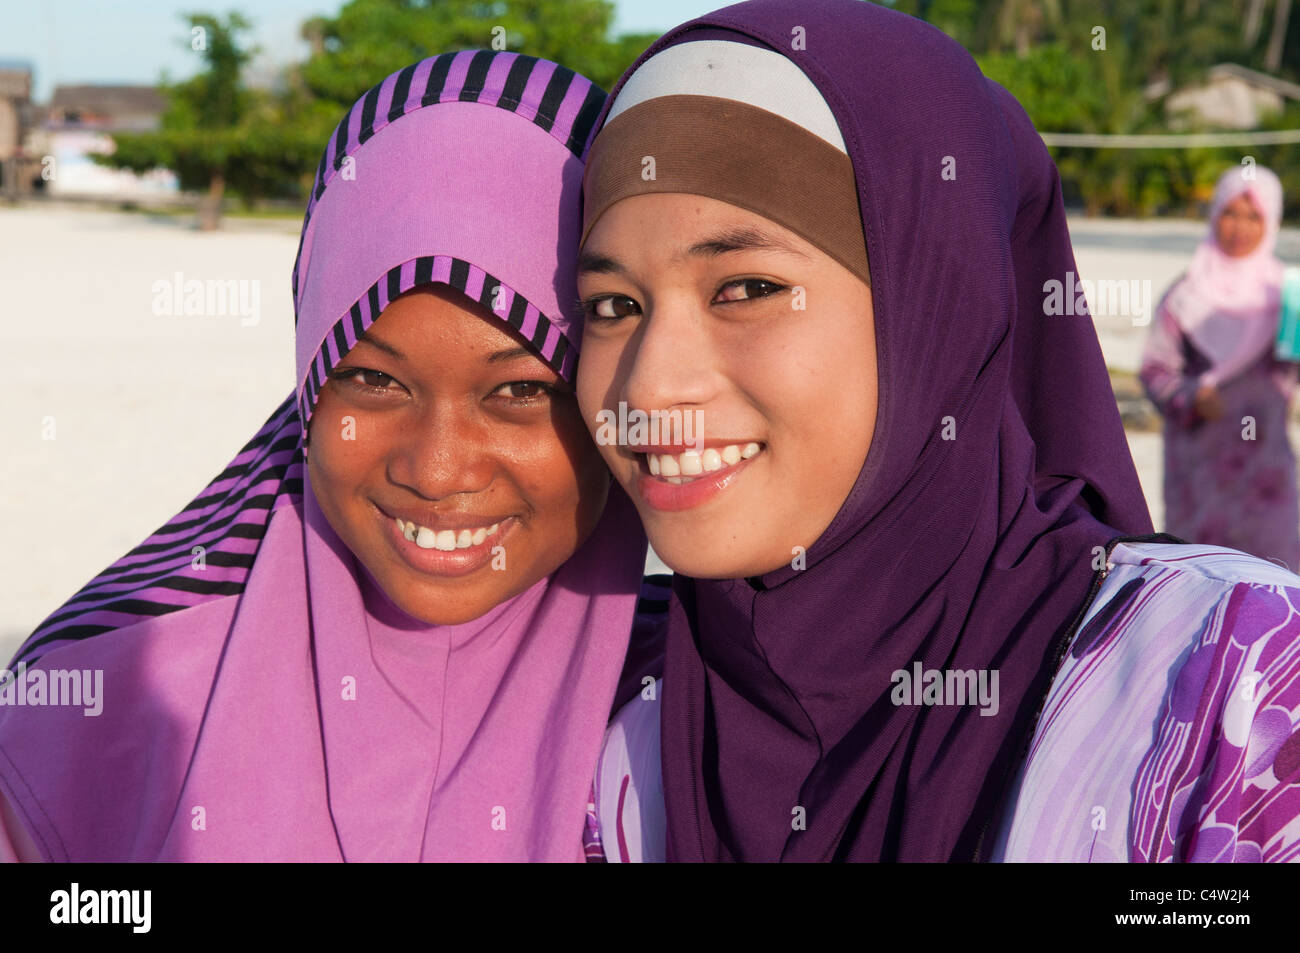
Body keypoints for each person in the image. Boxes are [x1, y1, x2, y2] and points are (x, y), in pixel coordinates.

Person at [573, 0, 1300, 862]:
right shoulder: (594, 693)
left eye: (745, 288)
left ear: (937, 304)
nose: (650, 385)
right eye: (612, 307)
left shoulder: (1235, 688)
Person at [0, 50, 663, 862]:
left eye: (522, 390)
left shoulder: (706, 707)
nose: (437, 469)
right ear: (310, 379)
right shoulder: (107, 697)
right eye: (372, 378)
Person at [1140, 165, 1300, 571]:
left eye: (1254, 216)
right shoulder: (1185, 295)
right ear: (1214, 216)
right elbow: (1155, 369)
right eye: (1230, 213)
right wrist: (1190, 396)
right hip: (1198, 473)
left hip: (1267, 474)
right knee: (1202, 580)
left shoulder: (1287, 294)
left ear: (1272, 222)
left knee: (1274, 585)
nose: (1240, 227)